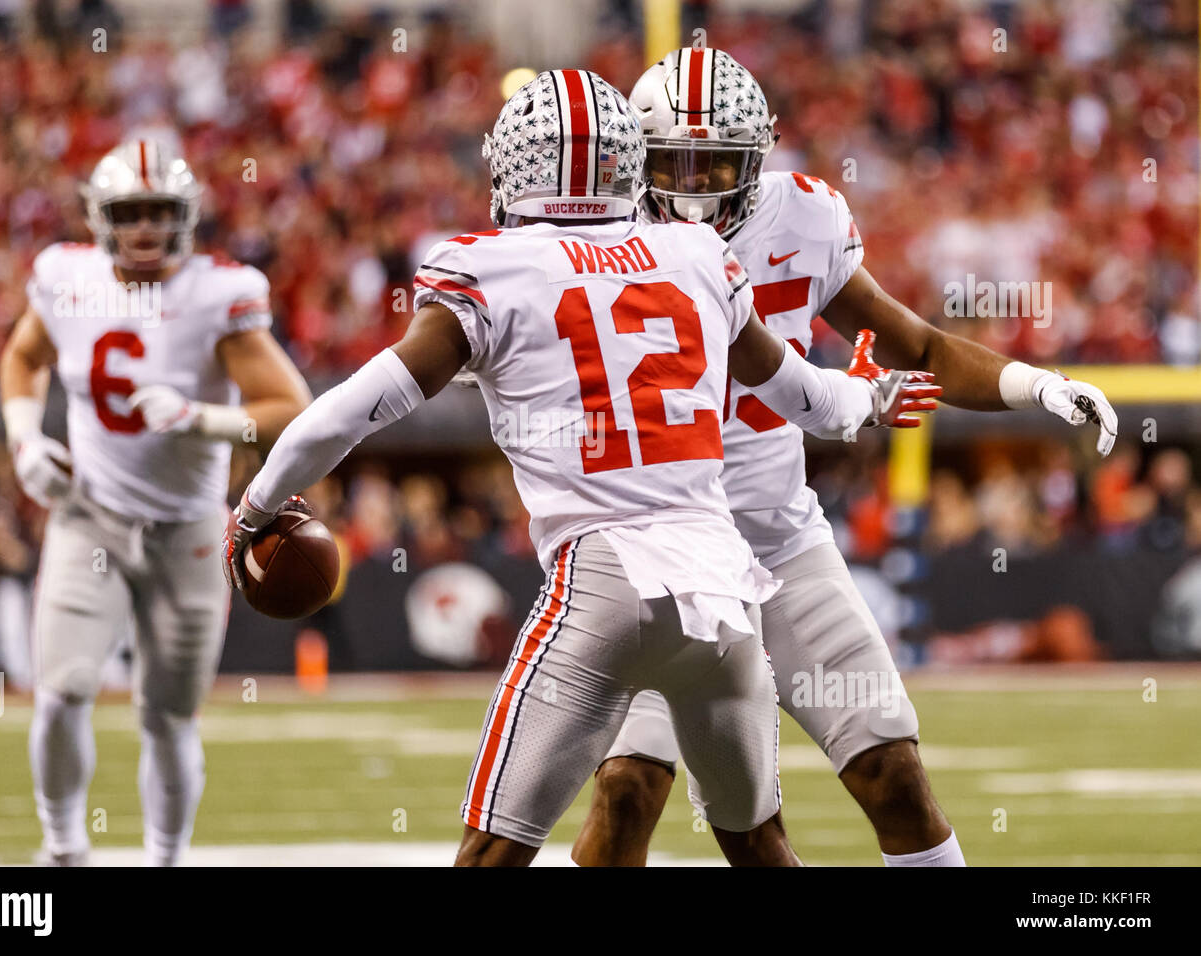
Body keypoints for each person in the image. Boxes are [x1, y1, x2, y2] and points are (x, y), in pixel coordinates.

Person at [221, 70, 939, 866]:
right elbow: (803, 394)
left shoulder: (490, 269)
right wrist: (869, 400)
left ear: (514, 167)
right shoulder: (694, 252)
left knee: (492, 853)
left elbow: (350, 409)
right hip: (723, 593)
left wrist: (254, 506)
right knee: (760, 847)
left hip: (601, 586)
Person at [572, 47, 1118, 868]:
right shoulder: (600, 239)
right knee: (626, 795)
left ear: (757, 158)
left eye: (718, 162)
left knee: (891, 771)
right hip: (661, 559)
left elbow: (917, 341)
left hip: (779, 543)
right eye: (674, 164)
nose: (695, 188)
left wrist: (1036, 385)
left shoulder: (803, 219)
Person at [0, 139, 311, 866]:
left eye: (157, 212)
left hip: (190, 530)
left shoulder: (216, 293)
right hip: (91, 516)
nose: (143, 227)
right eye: (129, 212)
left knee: (168, 716)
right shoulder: (65, 278)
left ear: (185, 215)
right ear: (100, 217)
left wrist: (200, 417)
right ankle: (64, 847)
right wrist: (23, 441)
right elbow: (22, 357)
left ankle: (165, 858)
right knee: (62, 691)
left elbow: (288, 408)